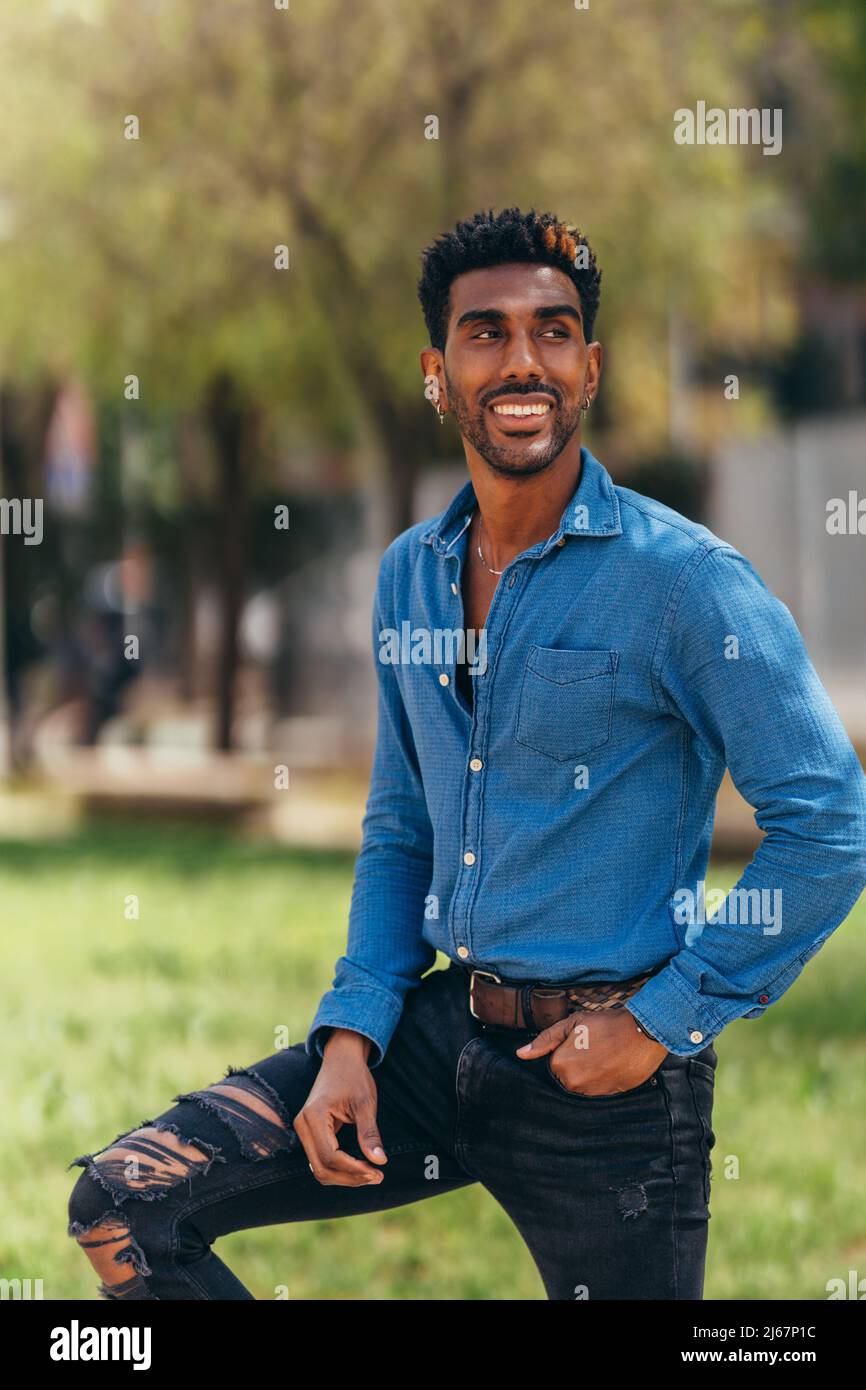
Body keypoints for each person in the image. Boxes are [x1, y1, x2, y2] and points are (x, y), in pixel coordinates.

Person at [67, 207, 866, 1300]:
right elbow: (401, 826)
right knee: (125, 1202)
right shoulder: (410, 573)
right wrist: (351, 1031)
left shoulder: (685, 582)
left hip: (611, 1092)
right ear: (436, 375)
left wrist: (660, 1019)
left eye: (552, 329)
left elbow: (828, 823)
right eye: (484, 333)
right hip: (437, 1045)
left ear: (590, 365)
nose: (522, 358)